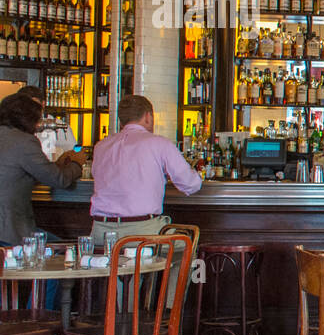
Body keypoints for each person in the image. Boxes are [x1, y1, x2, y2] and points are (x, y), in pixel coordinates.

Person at [90, 95, 202, 245]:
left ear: (121, 121)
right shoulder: (159, 144)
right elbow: (190, 184)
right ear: (148, 117)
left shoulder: (101, 146)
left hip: (101, 234)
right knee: (185, 245)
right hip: (142, 233)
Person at [0, 94, 83, 247]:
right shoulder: (24, 142)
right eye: (37, 120)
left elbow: (18, 171)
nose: (38, 125)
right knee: (64, 249)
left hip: (8, 227)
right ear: (27, 119)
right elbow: (59, 180)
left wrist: (56, 164)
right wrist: (77, 163)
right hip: (9, 231)